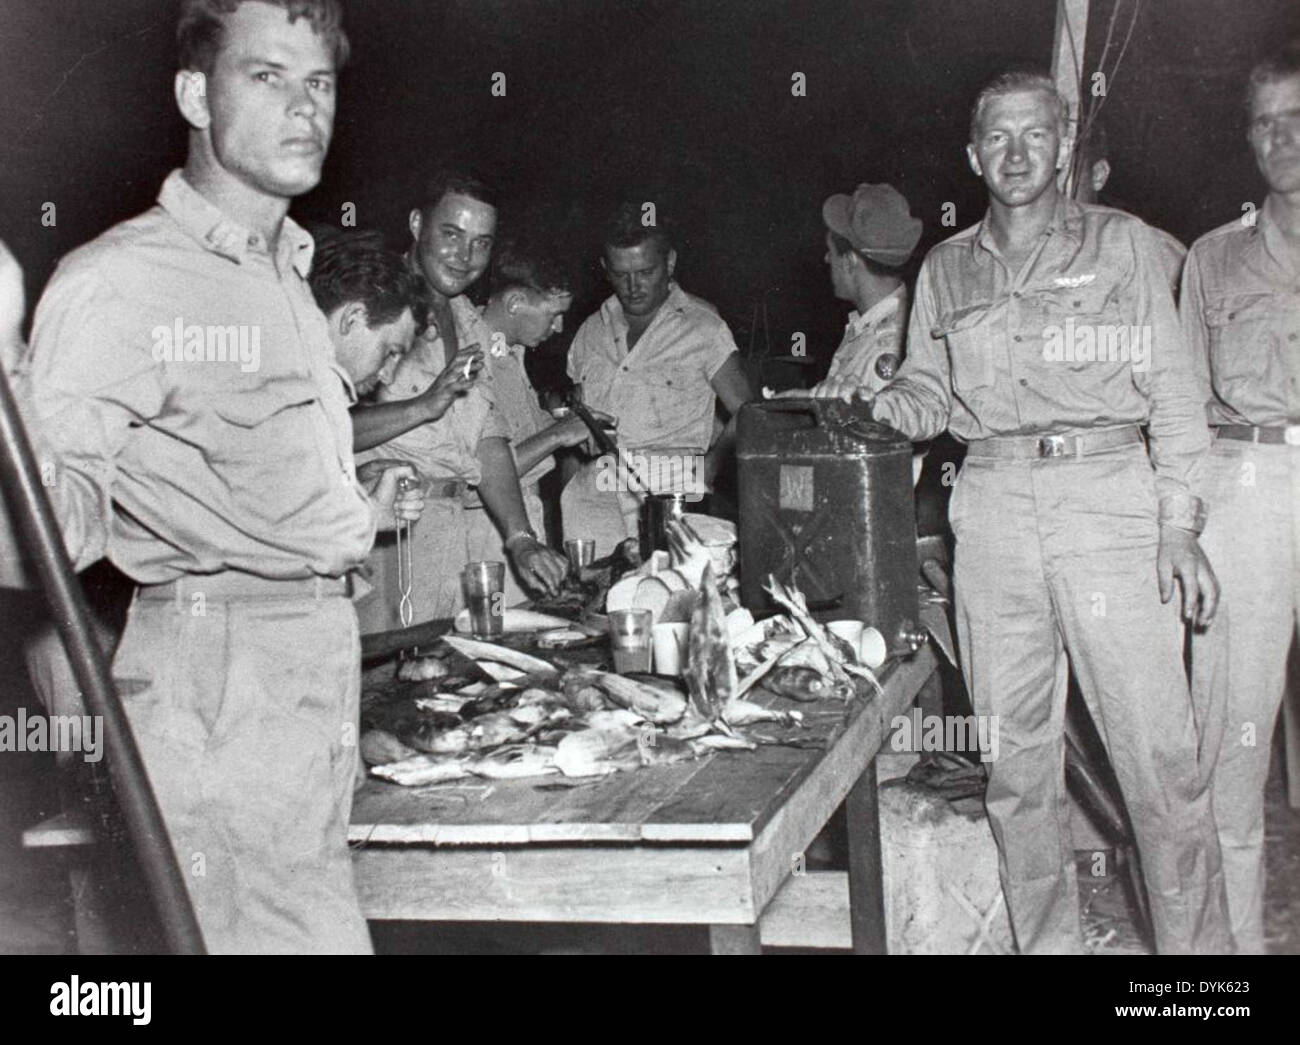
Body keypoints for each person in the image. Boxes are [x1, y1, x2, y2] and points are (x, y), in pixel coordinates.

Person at [0, 0, 427, 953]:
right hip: (218, 678)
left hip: (307, 665)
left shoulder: (285, 269)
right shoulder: (122, 282)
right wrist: (8, 364)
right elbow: (45, 531)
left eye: (318, 83)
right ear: (195, 93)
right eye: (265, 77)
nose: (305, 107)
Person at [863, 69, 1230, 954]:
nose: (1017, 153)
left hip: (1109, 501)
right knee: (1014, 767)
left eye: (1035, 135)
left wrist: (1180, 525)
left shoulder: (1124, 244)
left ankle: (1201, 982)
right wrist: (881, 408)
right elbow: (926, 387)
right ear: (972, 154)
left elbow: (1176, 392)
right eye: (998, 137)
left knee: (1159, 766)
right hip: (988, 507)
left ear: (1065, 146)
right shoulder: (945, 267)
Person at [1183, 40, 1300, 954]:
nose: (1284, 136)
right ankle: (1232, 963)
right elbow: (1181, 410)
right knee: (1233, 737)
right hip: (1247, 486)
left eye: (1299, 116)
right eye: (1266, 122)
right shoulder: (1213, 261)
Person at [353, 171, 566, 631]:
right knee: (382, 690)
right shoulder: (367, 302)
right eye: (451, 235)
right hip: (384, 539)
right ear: (416, 225)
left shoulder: (469, 320)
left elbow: (487, 438)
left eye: (481, 243)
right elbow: (319, 425)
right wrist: (421, 407)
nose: (465, 257)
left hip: (455, 536)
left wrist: (520, 538)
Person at [562, 204, 753, 554]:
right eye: (620, 274)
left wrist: (708, 469)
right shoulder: (590, 331)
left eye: (645, 272)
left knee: (667, 597)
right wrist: (569, 487)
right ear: (605, 269)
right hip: (594, 496)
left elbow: (750, 410)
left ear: (669, 263)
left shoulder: (704, 328)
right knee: (590, 600)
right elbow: (574, 425)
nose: (633, 286)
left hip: (671, 488)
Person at [463, 238, 615, 602]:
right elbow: (477, 473)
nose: (560, 327)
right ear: (515, 302)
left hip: (520, 534)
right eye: (553, 314)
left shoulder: (508, 354)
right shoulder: (471, 360)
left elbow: (517, 434)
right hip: (486, 540)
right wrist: (558, 435)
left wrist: (572, 428)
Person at [804, 183, 922, 401]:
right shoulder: (873, 328)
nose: (827, 259)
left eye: (830, 252)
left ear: (849, 261)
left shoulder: (886, 348)